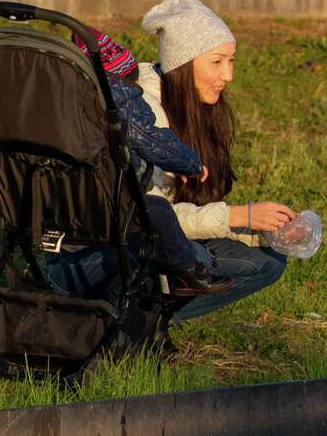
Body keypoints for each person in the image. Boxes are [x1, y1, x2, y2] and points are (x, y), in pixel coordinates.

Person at [132, 0, 299, 321]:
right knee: (208, 260)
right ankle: (137, 318)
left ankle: (150, 316)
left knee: (268, 260)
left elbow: (193, 208)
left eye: (231, 61)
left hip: (168, 239)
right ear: (183, 64)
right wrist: (239, 216)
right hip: (132, 243)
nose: (228, 75)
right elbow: (148, 218)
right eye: (217, 62)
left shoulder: (196, 105)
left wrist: (262, 230)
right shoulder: (148, 117)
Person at [72, 29, 230, 297]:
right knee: (159, 213)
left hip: (63, 212)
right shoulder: (122, 96)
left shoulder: (62, 102)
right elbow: (153, 140)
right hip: (112, 211)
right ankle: (189, 271)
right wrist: (190, 163)